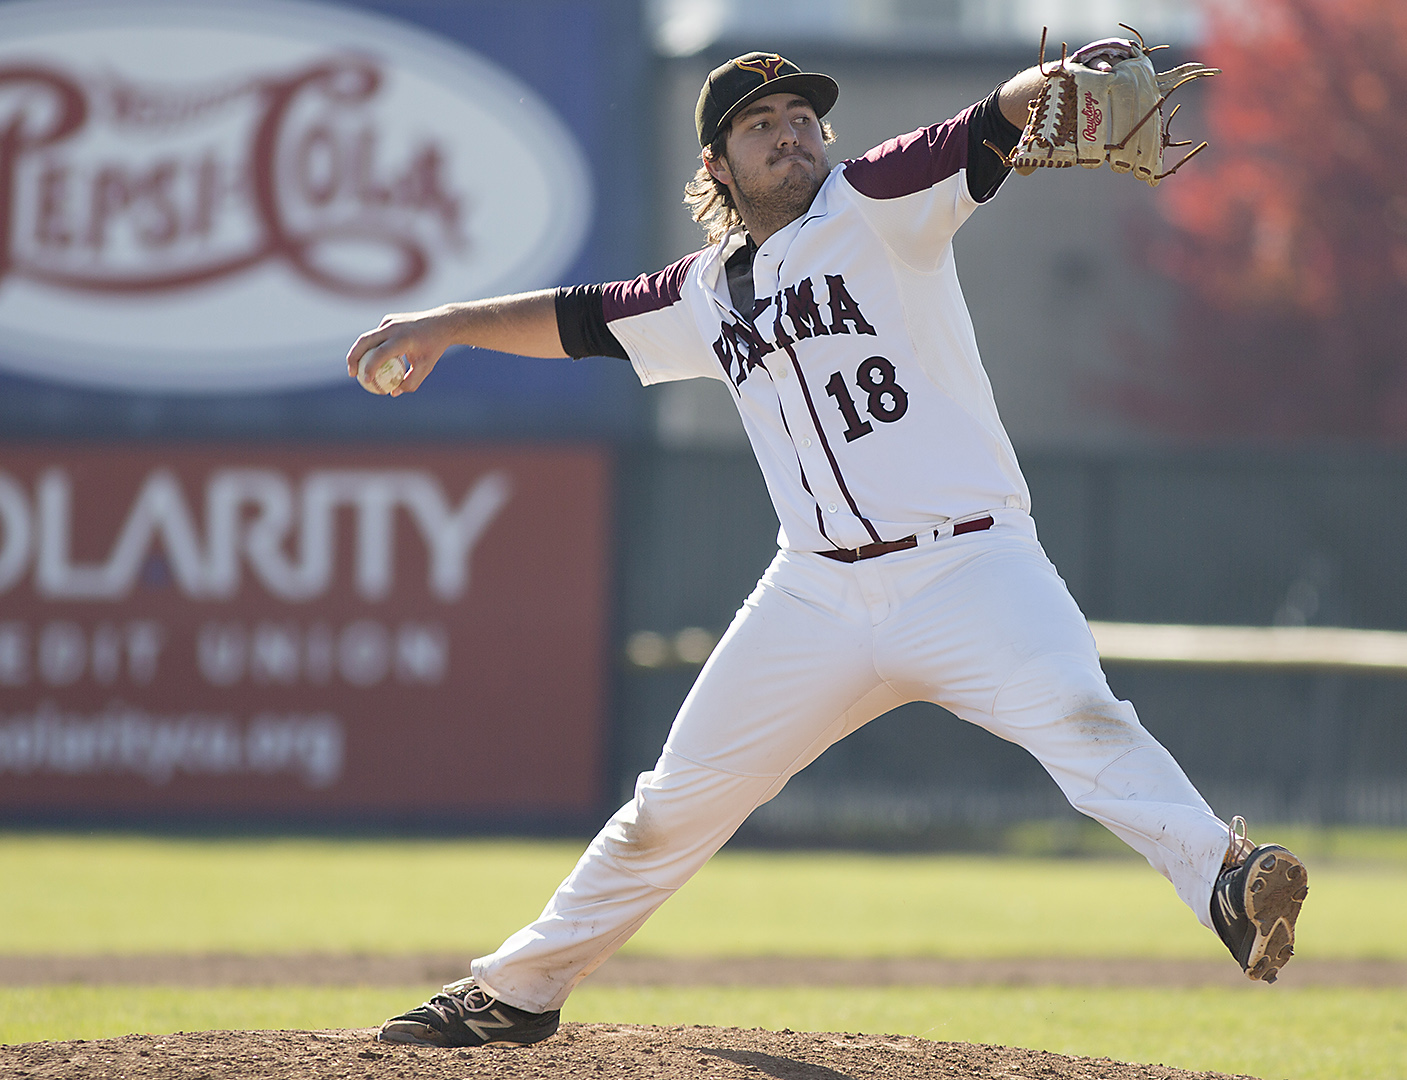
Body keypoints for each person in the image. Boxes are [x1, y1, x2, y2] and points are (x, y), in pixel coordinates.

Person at [350, 48, 1308, 1048]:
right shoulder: (700, 292)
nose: (792, 134)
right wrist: (448, 323)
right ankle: (517, 992)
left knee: (1083, 721)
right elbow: (582, 320)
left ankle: (1228, 884)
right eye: (762, 125)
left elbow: (985, 122)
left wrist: (1049, 82)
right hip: (813, 595)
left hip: (971, 568)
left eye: (803, 117)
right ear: (718, 164)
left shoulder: (879, 202)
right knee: (668, 812)